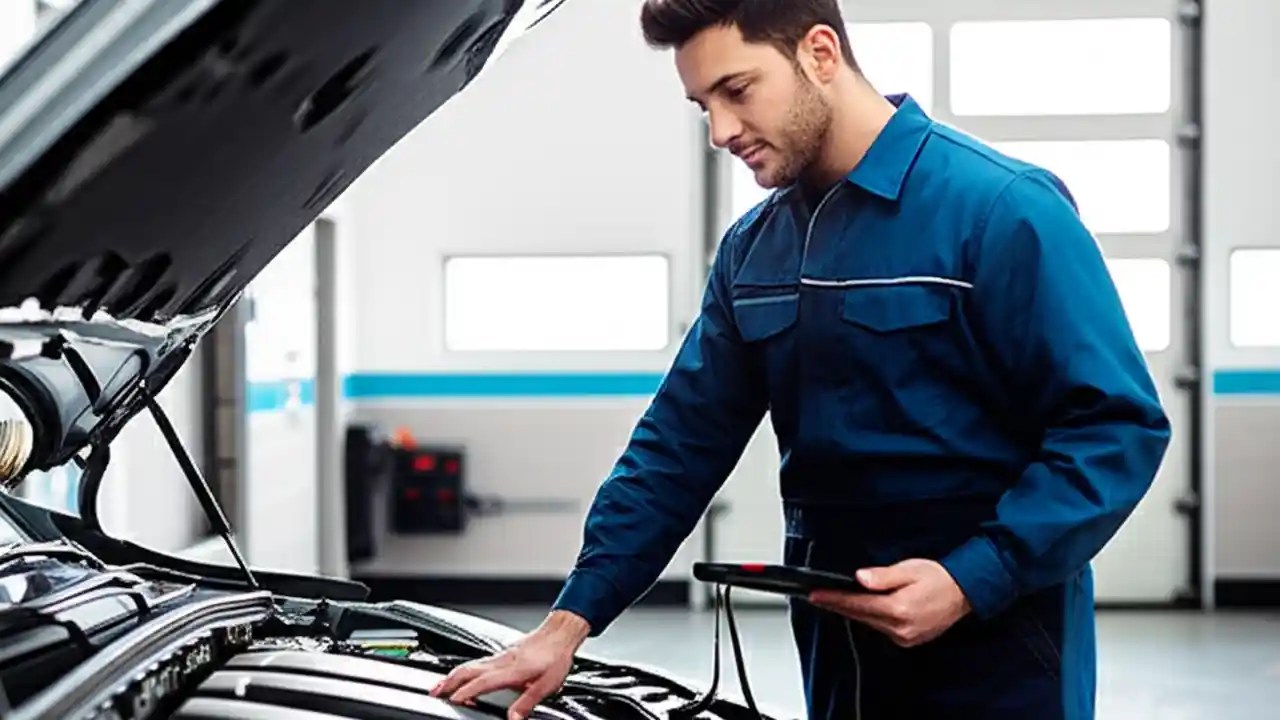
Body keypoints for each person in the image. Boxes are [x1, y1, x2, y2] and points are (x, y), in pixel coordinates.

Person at [430, 1, 1172, 718]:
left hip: (1000, 649)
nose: (721, 131)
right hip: (837, 650)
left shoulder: (1001, 211)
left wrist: (971, 578)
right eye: (702, 106)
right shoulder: (755, 251)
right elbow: (677, 448)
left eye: (737, 91)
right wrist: (566, 626)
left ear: (819, 53)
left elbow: (1115, 427)